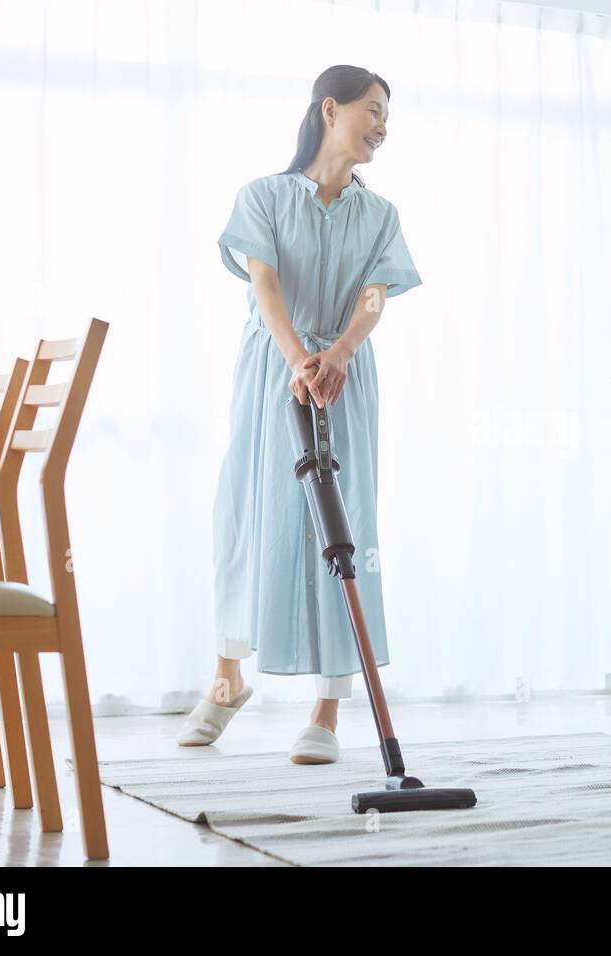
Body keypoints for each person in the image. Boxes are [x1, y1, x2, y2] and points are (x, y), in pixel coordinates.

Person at [176, 65, 421, 764]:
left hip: (343, 378)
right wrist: (295, 358)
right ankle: (226, 680)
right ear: (329, 109)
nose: (381, 128)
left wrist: (339, 352)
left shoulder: (380, 214)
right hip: (272, 373)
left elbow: (375, 296)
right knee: (248, 516)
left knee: (342, 528)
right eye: (372, 112)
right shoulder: (261, 197)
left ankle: (328, 709)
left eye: (387, 118)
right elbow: (264, 283)